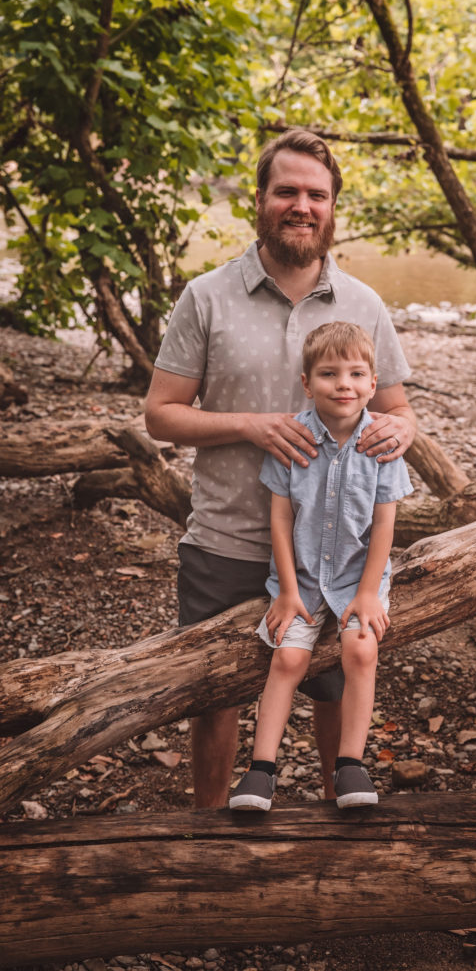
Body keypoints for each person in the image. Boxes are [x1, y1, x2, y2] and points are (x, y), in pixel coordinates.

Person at [144, 128, 416, 808]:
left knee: (328, 685)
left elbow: (398, 411)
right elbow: (160, 416)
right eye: (287, 190)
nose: (302, 205)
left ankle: (335, 824)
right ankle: (211, 834)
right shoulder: (205, 296)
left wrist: (402, 430)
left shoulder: (363, 305)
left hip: (338, 552)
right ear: (259, 201)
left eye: (315, 195)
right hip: (224, 540)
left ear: (332, 207)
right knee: (214, 700)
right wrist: (249, 424)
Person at [229, 323, 413, 811]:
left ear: (374, 383)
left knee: (359, 649)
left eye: (356, 374)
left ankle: (350, 762)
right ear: (308, 383)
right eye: (329, 374)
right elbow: (281, 519)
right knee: (288, 658)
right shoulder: (294, 439)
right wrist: (287, 592)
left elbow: (384, 526)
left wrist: (370, 592)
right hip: (304, 579)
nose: (344, 384)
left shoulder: (382, 445)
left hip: (358, 577)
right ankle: (261, 770)